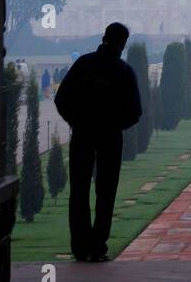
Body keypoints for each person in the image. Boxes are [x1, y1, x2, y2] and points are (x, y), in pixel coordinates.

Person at [54, 22, 142, 262]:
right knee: (106, 192)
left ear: (103, 38)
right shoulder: (123, 71)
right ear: (123, 44)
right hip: (110, 138)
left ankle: (81, 247)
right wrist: (113, 125)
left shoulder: (84, 64)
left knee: (79, 191)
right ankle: (97, 246)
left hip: (83, 134)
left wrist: (77, 121)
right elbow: (135, 112)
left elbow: (61, 98)